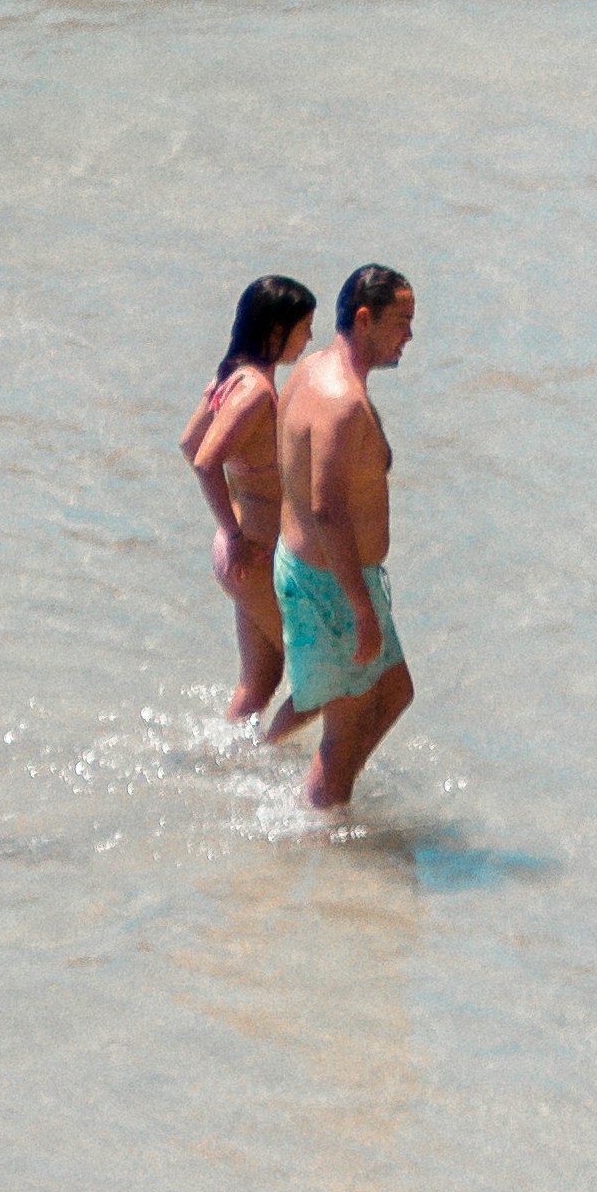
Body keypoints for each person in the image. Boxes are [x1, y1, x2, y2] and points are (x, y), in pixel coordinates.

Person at [271, 262, 418, 815]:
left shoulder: (310, 370)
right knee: (344, 730)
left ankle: (305, 788)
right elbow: (326, 507)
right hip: (333, 584)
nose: (410, 334)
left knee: (395, 690)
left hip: (323, 574)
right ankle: (319, 832)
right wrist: (360, 607)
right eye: (401, 320)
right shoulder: (342, 402)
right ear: (365, 318)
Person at [180, 276, 315, 720]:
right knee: (322, 676)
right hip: (251, 554)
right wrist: (234, 533)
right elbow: (203, 460)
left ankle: (228, 766)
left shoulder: (232, 378)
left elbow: (187, 442)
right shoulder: (255, 389)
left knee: (260, 682)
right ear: (276, 331)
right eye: (304, 327)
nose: (310, 338)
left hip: (244, 551)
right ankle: (290, 774)